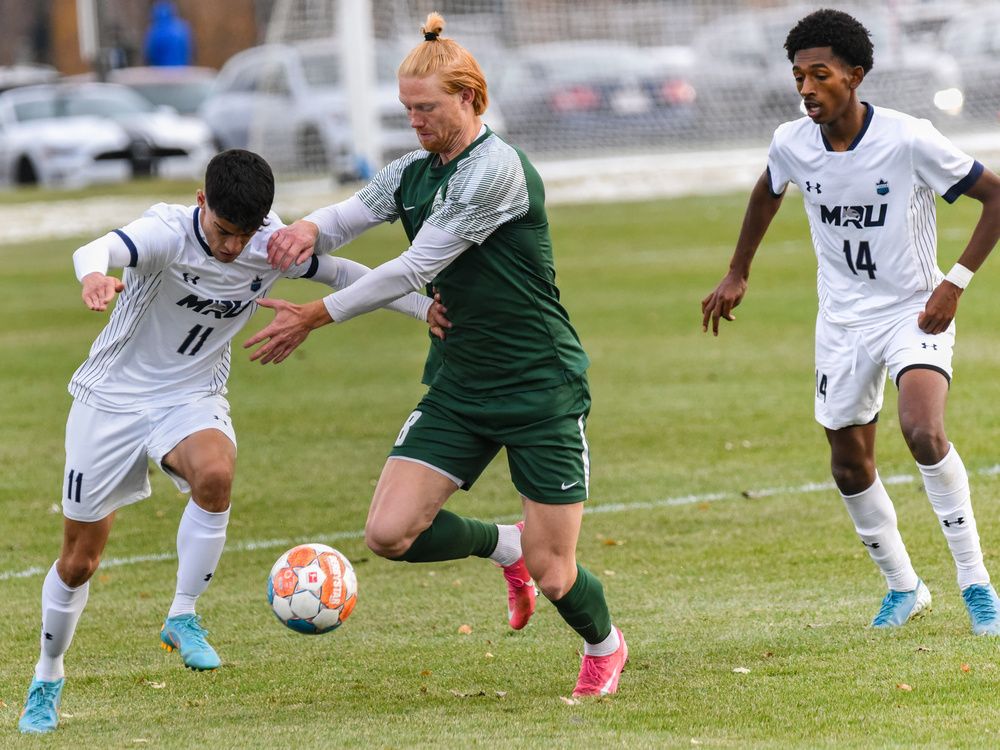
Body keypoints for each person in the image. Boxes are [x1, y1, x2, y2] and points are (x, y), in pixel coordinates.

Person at [245, 13, 628, 697]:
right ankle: (501, 545)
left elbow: (411, 267)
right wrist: (304, 228)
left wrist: (314, 314)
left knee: (557, 572)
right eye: (406, 110)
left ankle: (604, 645)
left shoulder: (496, 171)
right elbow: (346, 218)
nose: (414, 122)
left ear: (469, 100)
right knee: (389, 533)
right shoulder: (414, 171)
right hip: (459, 383)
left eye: (426, 110)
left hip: (538, 385)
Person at [18, 149, 440, 735]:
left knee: (215, 475)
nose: (231, 248)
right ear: (201, 203)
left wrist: (424, 309)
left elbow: (343, 274)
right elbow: (98, 250)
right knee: (79, 560)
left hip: (190, 397)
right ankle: (48, 675)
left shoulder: (271, 244)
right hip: (110, 401)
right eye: (221, 232)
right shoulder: (166, 233)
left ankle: (183, 616)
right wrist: (93, 275)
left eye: (244, 236)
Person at [702, 9, 1000, 632]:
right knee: (847, 463)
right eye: (798, 77)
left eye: (820, 74)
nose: (807, 88)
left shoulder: (908, 137)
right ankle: (904, 587)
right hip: (841, 320)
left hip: (913, 310)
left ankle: (977, 586)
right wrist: (737, 271)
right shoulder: (792, 142)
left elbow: (996, 196)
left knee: (922, 430)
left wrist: (955, 283)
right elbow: (767, 190)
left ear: (855, 75)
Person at [143, 0, 192, 67]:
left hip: (159, 71)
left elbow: (149, 54)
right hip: (180, 69)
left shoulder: (154, 31)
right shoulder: (182, 28)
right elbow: (189, 51)